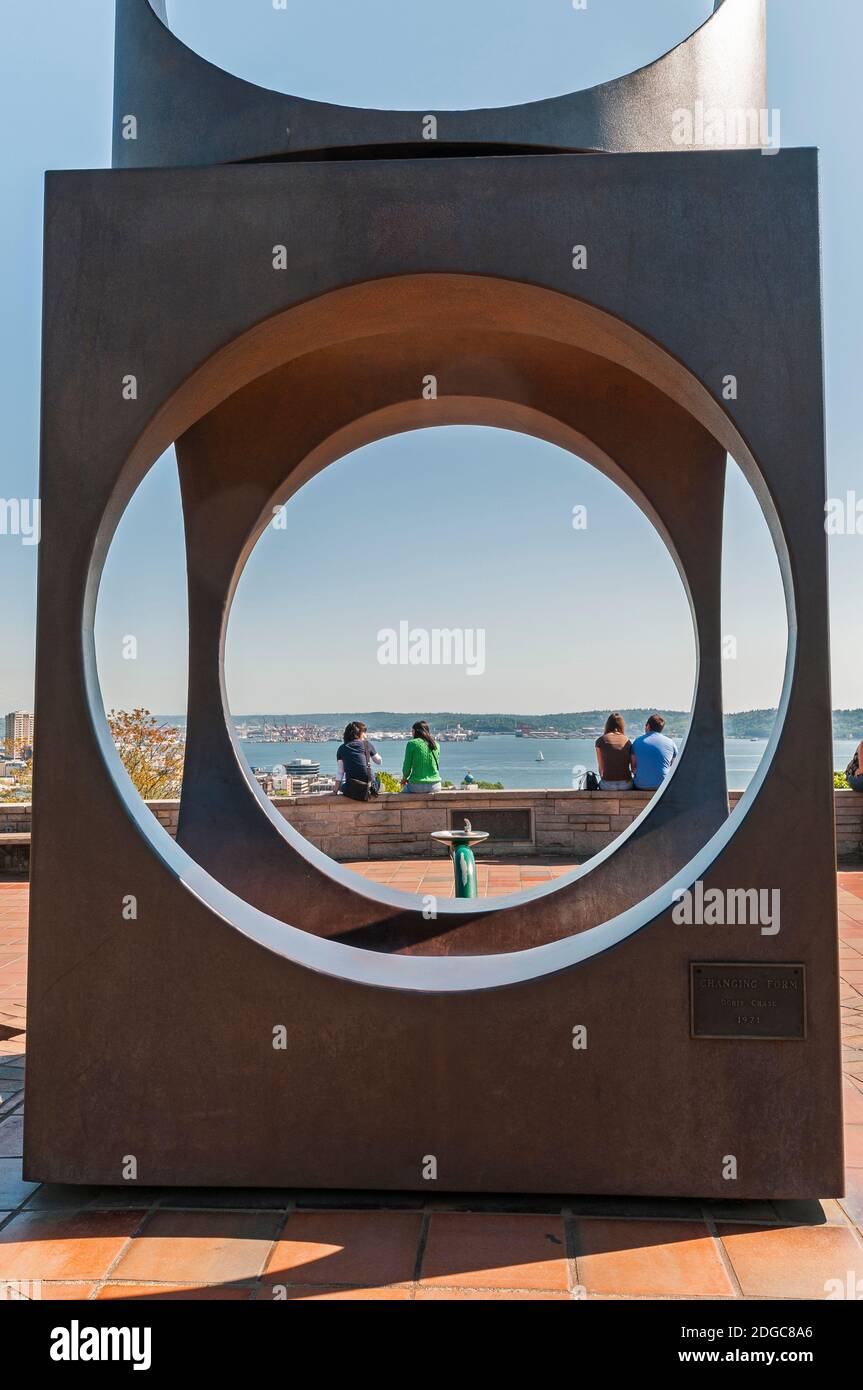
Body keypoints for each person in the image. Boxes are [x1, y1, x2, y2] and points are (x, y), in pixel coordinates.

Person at [335, 721, 382, 800]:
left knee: (342, 786)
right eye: (364, 732)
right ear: (359, 733)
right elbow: (379, 761)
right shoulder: (366, 744)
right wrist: (369, 753)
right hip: (368, 784)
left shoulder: (341, 748)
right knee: (377, 780)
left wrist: (335, 791)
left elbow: (340, 772)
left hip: (352, 786)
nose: (365, 735)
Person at [631, 714, 678, 791]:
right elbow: (674, 767)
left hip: (641, 784)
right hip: (663, 785)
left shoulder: (637, 742)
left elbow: (633, 767)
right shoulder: (671, 743)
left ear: (648, 726)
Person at [594, 713, 634, 791]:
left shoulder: (600, 741)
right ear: (622, 725)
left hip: (607, 785)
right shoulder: (627, 741)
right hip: (626, 785)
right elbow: (631, 766)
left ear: (607, 725)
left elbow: (601, 768)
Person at [401, 721, 442, 794]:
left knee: (403, 792)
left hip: (416, 786)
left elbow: (407, 768)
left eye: (412, 731)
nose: (412, 733)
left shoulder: (412, 744)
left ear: (416, 732)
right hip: (435, 786)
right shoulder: (436, 745)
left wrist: (404, 778)